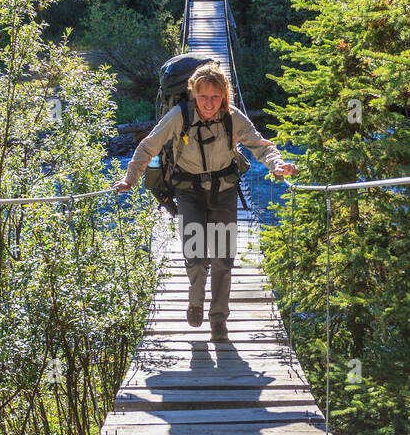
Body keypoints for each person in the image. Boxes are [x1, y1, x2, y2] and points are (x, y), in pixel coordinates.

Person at [113, 62, 297, 341]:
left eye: (215, 97)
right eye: (203, 97)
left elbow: (259, 145)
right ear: (193, 94)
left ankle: (218, 320)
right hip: (189, 192)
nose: (209, 103)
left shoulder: (232, 117)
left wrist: (278, 166)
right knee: (196, 256)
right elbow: (148, 145)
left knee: (223, 259)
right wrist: (130, 178)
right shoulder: (178, 116)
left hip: (224, 191)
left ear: (224, 95)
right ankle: (196, 300)